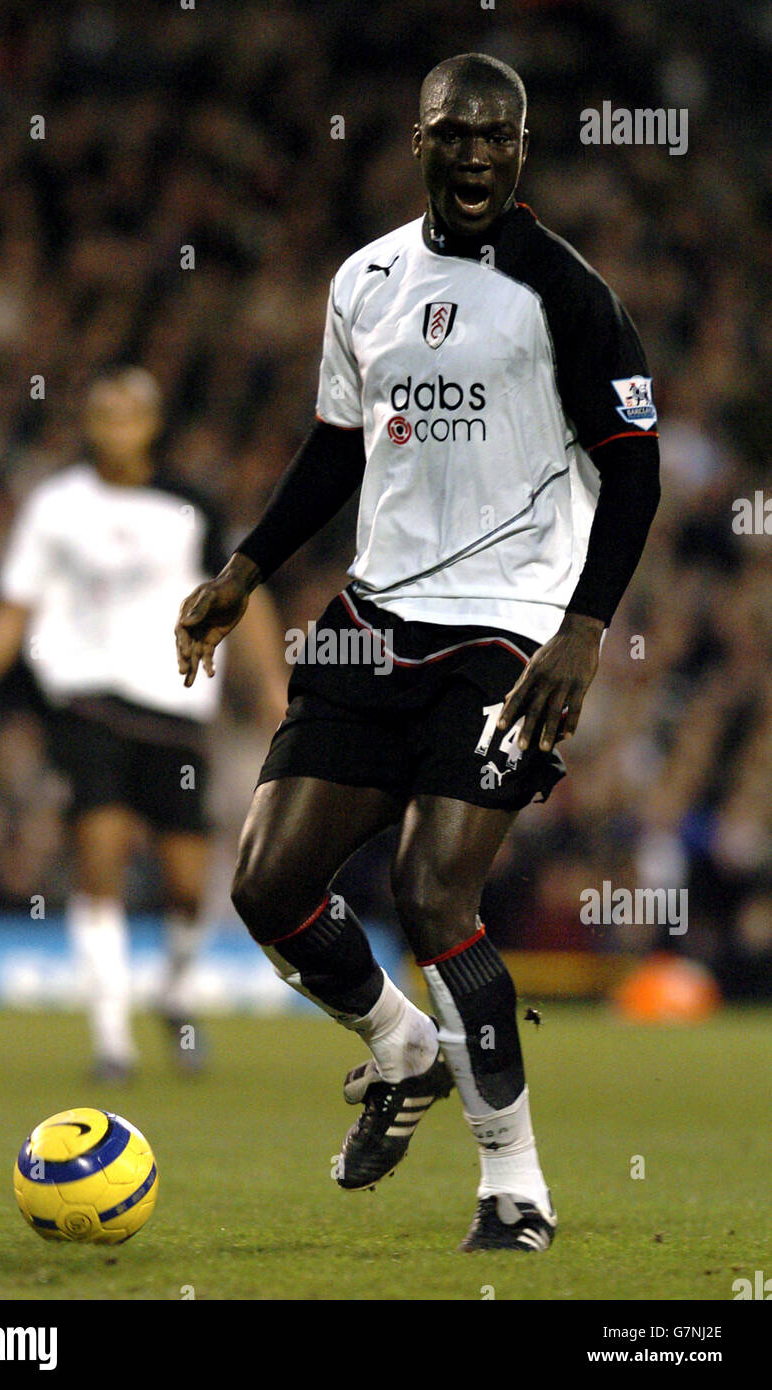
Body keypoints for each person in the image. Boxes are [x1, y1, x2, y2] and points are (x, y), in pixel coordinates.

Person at [175, 54, 660, 1251]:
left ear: (524, 148)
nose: (480, 155)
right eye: (458, 134)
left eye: (501, 137)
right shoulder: (366, 279)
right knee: (266, 886)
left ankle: (515, 1185)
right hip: (373, 620)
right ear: (420, 141)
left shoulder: (567, 292)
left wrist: (584, 631)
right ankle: (399, 1045)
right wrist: (243, 570)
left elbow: (635, 465)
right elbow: (336, 448)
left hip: (509, 631)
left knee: (433, 888)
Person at [0, 366, 287, 1081]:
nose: (117, 427)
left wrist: (271, 686)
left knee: (186, 882)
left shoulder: (193, 506)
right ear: (90, 423)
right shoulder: (56, 506)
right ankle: (111, 1041)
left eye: (131, 414)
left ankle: (176, 991)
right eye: (104, 414)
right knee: (101, 852)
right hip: (85, 703)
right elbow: (13, 609)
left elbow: (245, 593)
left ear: (152, 424)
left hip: (176, 705)